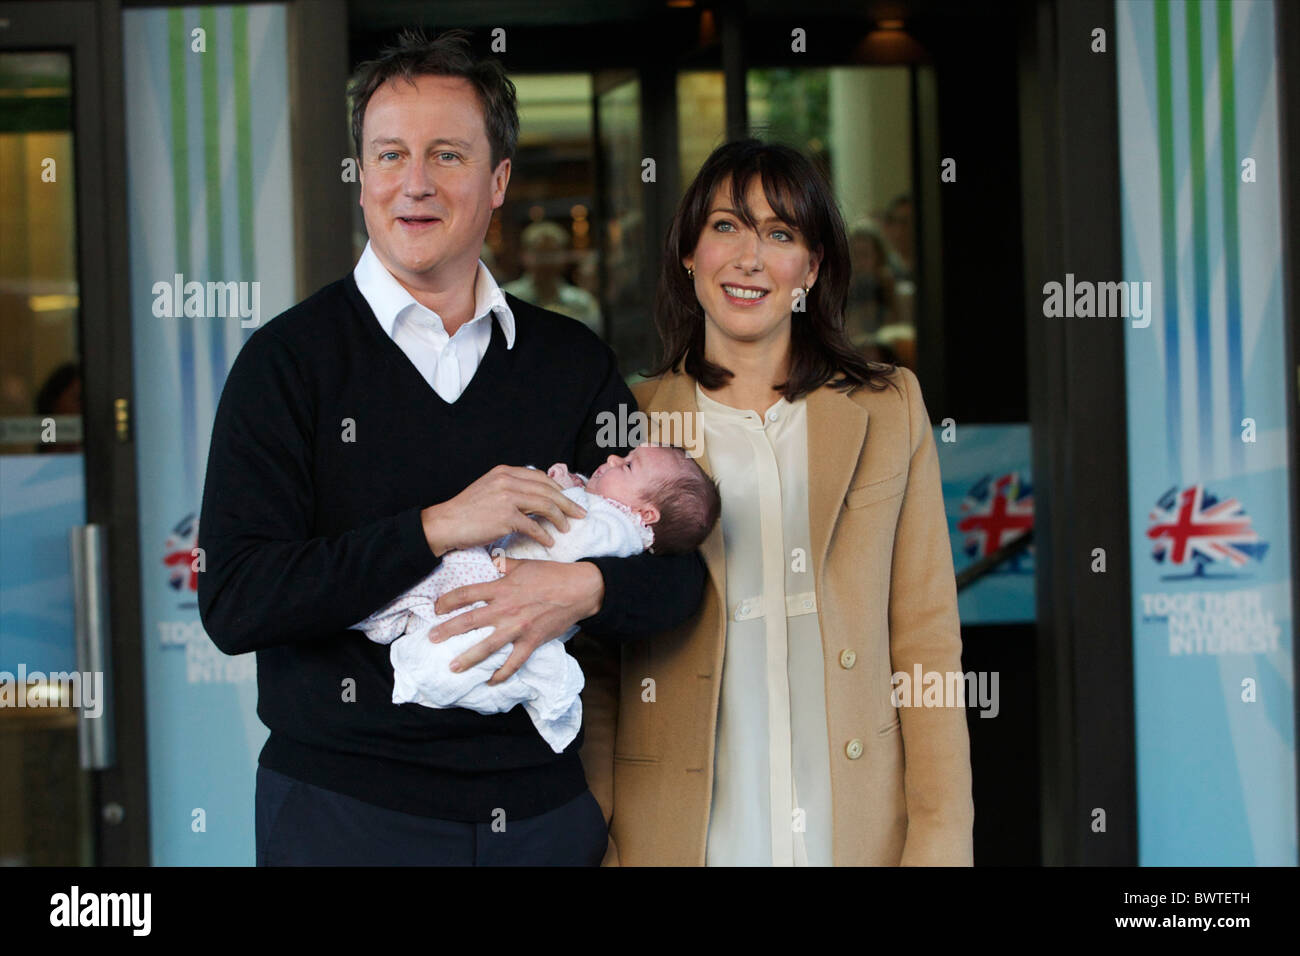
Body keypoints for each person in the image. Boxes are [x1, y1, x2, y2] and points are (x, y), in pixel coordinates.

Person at [196, 28, 705, 867]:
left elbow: (676, 571)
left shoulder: (570, 362)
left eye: (447, 155)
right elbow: (237, 599)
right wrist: (437, 528)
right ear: (361, 177)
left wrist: (580, 586)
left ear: (499, 179)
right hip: (344, 816)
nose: (415, 185)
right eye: (390, 155)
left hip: (542, 817)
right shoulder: (286, 363)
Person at [585, 139, 973, 866]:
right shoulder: (630, 424)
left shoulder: (889, 409)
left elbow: (927, 643)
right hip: (677, 835)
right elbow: (602, 663)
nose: (749, 258)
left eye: (781, 233)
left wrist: (941, 840)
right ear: (687, 253)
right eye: (726, 226)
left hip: (856, 828)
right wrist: (599, 837)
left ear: (813, 266)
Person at [352, 445, 720, 754]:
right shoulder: (607, 510)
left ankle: (394, 618)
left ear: (645, 514)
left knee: (447, 586)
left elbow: (573, 537)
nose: (610, 458)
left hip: (502, 582)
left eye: (626, 465)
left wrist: (557, 494)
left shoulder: (617, 530)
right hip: (500, 580)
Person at [504, 220, 603, 335]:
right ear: (525, 255)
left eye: (553, 253)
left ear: (564, 255)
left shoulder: (581, 302)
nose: (547, 262)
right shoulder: (507, 300)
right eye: (540, 254)